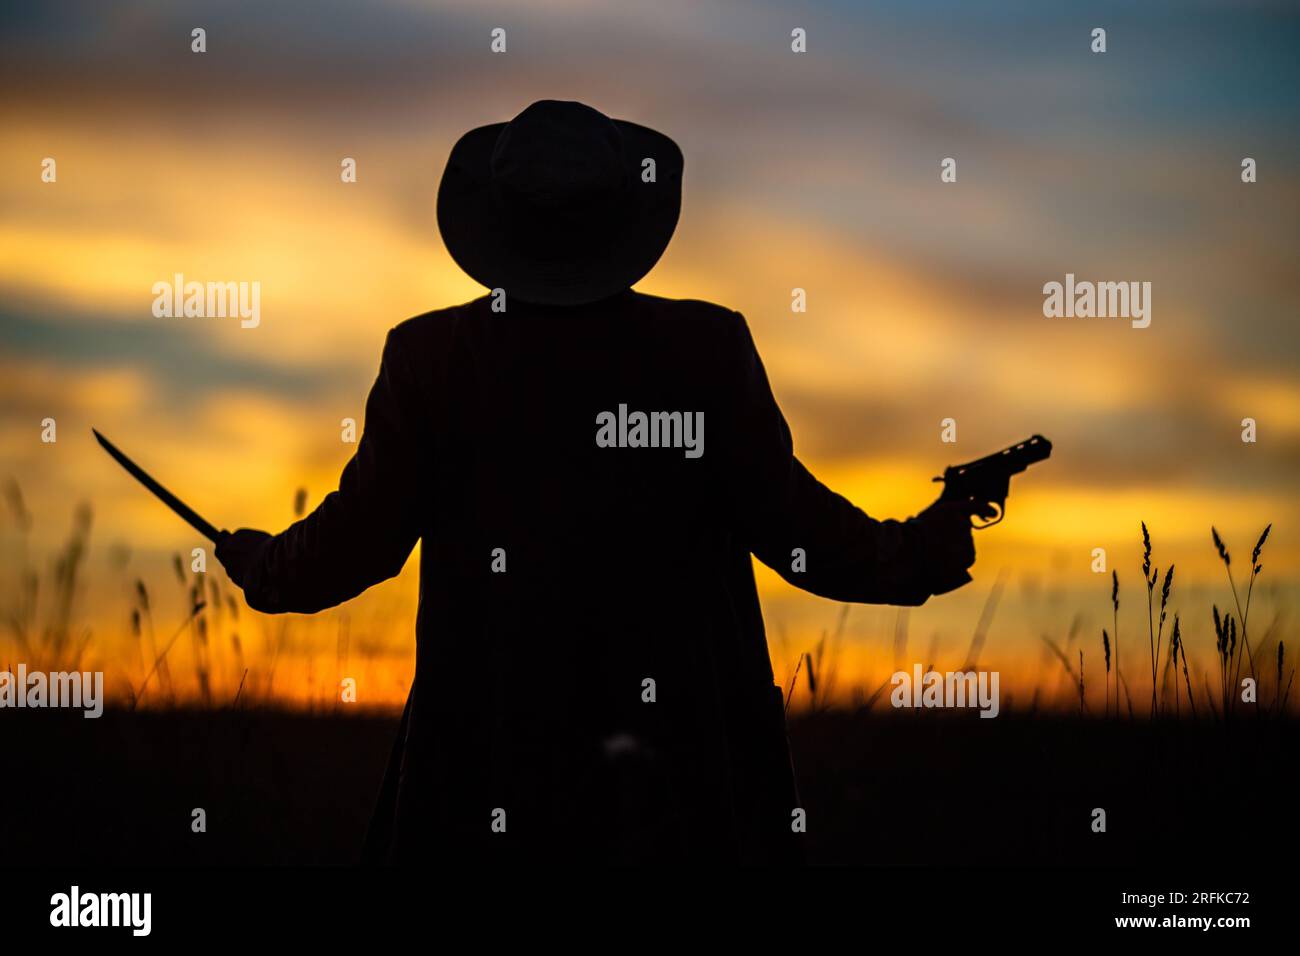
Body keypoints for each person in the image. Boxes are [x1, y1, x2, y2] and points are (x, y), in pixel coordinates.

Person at [216, 100, 976, 865]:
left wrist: (263, 566)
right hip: (683, 780)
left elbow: (354, 545)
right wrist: (922, 552)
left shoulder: (430, 359)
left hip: (487, 781)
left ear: (498, 225)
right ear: (623, 222)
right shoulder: (705, 351)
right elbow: (803, 536)